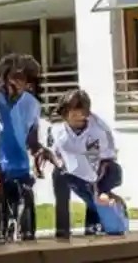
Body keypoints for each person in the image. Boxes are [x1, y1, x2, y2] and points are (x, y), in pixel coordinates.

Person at [41, 89, 124, 239]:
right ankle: (62, 229)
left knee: (95, 192)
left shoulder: (97, 130)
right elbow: (53, 153)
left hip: (101, 168)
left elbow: (101, 162)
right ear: (65, 113)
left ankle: (95, 221)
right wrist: (58, 164)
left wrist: (99, 189)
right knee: (59, 176)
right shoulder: (57, 130)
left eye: (83, 113)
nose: (79, 118)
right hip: (71, 168)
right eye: (74, 114)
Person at [0, 53, 43, 242]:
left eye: (22, 79)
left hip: (22, 164)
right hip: (0, 162)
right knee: (3, 207)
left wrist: (38, 157)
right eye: (13, 77)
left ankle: (27, 238)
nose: (17, 83)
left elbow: (33, 137)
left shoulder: (32, 104)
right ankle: (3, 237)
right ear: (5, 77)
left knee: (26, 205)